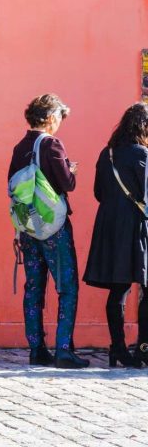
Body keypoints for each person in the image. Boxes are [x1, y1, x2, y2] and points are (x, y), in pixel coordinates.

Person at [13, 93, 87, 368]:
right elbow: (66, 183)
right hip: (54, 228)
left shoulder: (20, 146)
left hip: (29, 227)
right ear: (51, 118)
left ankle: (37, 348)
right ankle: (64, 349)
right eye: (59, 119)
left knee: (34, 287)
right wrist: (71, 169)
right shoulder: (51, 144)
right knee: (67, 286)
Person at [84, 102, 148, 368]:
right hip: (137, 226)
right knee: (147, 286)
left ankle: (117, 349)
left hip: (110, 226)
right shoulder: (141, 153)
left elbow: (98, 193)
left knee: (118, 290)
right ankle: (144, 348)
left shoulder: (106, 153)